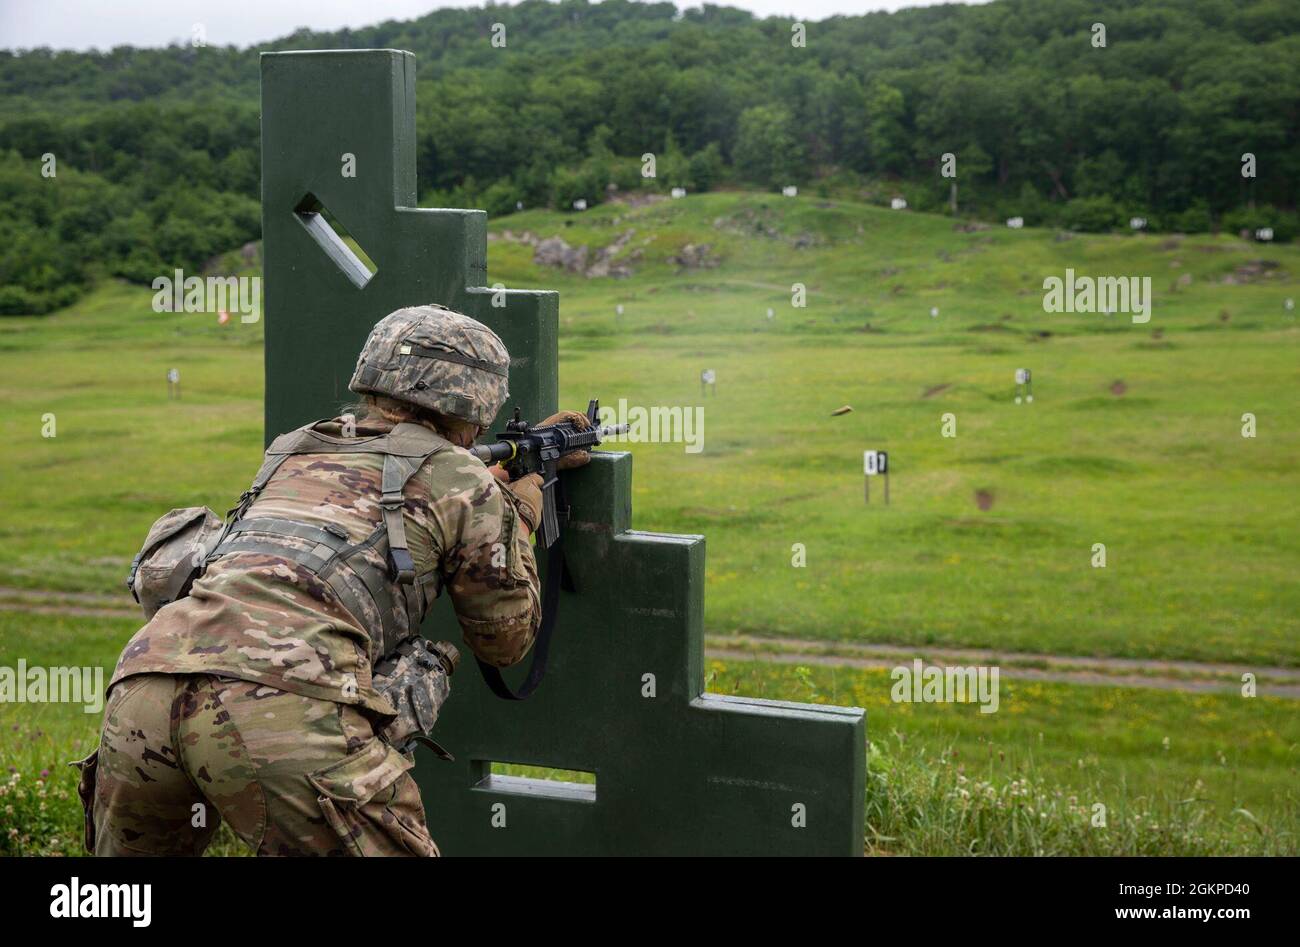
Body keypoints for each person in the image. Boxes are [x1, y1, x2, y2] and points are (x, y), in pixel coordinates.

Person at [73, 304, 589, 856]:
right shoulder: (459, 477)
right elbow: (504, 640)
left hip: (147, 683)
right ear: (476, 400)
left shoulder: (296, 448)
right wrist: (518, 516)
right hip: (278, 702)